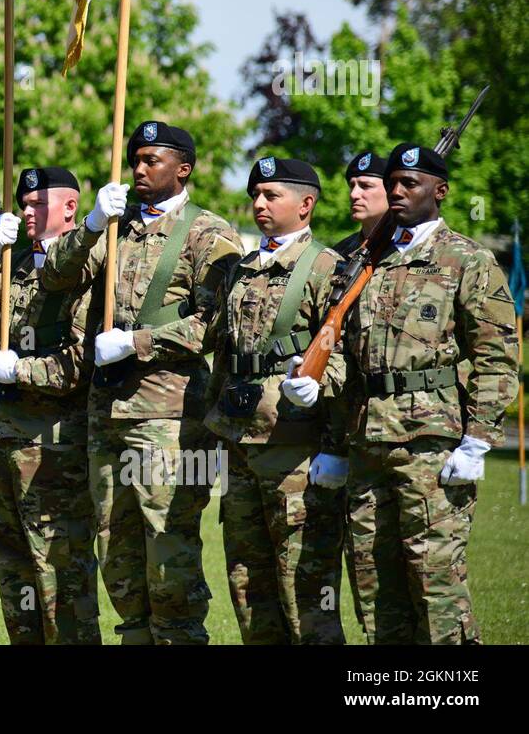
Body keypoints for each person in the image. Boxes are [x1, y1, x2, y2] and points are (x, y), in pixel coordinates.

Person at [41, 121, 243, 644]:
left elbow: (216, 324)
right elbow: (56, 276)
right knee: (116, 547)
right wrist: (88, 224)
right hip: (107, 411)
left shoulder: (209, 234)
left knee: (166, 543)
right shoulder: (117, 226)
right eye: (135, 158)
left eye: (152, 159)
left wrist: (137, 344)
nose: (139, 169)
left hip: (169, 416)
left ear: (183, 168)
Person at [341, 143, 518, 644]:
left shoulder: (466, 260)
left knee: (435, 582)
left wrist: (478, 440)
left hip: (431, 443)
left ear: (439, 191)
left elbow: (497, 355)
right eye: (391, 182)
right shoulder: (367, 259)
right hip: (367, 441)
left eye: (409, 183)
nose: (396, 191)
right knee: (375, 585)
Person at [0, 166, 99, 644]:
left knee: (59, 574)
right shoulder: (12, 265)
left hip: (52, 446)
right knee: (14, 573)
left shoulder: (90, 267)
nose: (27, 211)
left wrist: (23, 371)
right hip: (2, 438)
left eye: (38, 203)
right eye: (23, 203)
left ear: (70, 208)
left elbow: (81, 363)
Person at [204, 157, 347, 644]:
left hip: (295, 451)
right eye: (256, 195)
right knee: (247, 583)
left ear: (305, 204)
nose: (259, 204)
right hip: (240, 443)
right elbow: (224, 352)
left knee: (303, 590)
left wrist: (334, 442)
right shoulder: (242, 268)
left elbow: (349, 356)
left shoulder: (327, 269)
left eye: (272, 195)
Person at [334, 150, 390, 257]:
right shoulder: (339, 253)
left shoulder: (414, 246)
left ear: (390, 191)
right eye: (352, 186)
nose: (354, 194)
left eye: (366, 186)